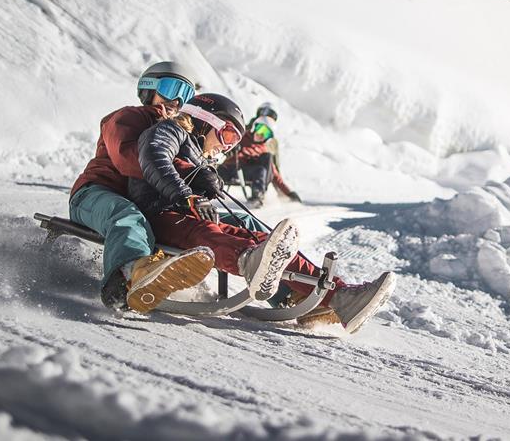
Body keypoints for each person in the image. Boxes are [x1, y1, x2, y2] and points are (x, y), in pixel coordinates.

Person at [128, 93, 397, 334]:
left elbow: (189, 171)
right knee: (208, 234)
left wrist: (204, 182)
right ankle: (248, 261)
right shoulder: (169, 130)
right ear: (205, 119)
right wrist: (187, 196)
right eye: (227, 136)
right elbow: (155, 156)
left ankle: (340, 297)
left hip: (188, 215)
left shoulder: (198, 152)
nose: (226, 146)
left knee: (261, 240)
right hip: (161, 215)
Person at [68, 61, 216, 314]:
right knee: (127, 216)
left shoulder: (177, 132)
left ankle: (287, 284)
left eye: (186, 96)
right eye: (172, 89)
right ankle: (127, 277)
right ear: (149, 89)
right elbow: (130, 159)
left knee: (213, 222)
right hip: (94, 194)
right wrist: (187, 172)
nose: (177, 101)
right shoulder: (128, 117)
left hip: (140, 204)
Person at [219, 102, 301, 208]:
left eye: (266, 133)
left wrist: (289, 193)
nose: (261, 135)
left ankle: (258, 195)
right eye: (260, 130)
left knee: (265, 162)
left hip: (250, 172)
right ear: (254, 127)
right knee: (219, 171)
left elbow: (274, 171)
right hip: (231, 167)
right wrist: (231, 148)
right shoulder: (242, 134)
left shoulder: (265, 147)